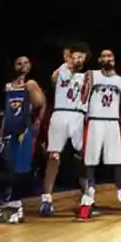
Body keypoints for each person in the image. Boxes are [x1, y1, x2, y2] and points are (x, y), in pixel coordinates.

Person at [0, 56, 44, 225]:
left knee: (20, 170)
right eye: (19, 63)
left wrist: (36, 128)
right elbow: (6, 112)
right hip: (9, 131)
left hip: (24, 131)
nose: (22, 65)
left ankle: (17, 207)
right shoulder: (8, 87)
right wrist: (0, 133)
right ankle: (7, 204)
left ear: (30, 66)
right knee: (7, 168)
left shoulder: (32, 85)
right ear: (13, 66)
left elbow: (40, 104)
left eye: (26, 62)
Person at [40, 44, 89, 216]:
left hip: (79, 116)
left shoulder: (87, 76)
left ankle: (87, 195)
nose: (78, 59)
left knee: (81, 157)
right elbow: (53, 78)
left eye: (81, 57)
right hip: (60, 113)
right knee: (53, 156)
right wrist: (67, 62)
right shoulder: (61, 71)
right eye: (75, 56)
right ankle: (46, 199)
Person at [79, 49, 121, 220]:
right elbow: (83, 96)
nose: (107, 58)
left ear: (114, 59)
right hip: (95, 121)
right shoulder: (92, 75)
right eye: (104, 56)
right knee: (90, 161)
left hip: (112, 121)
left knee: (117, 162)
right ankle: (88, 198)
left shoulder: (120, 80)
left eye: (110, 56)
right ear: (99, 60)